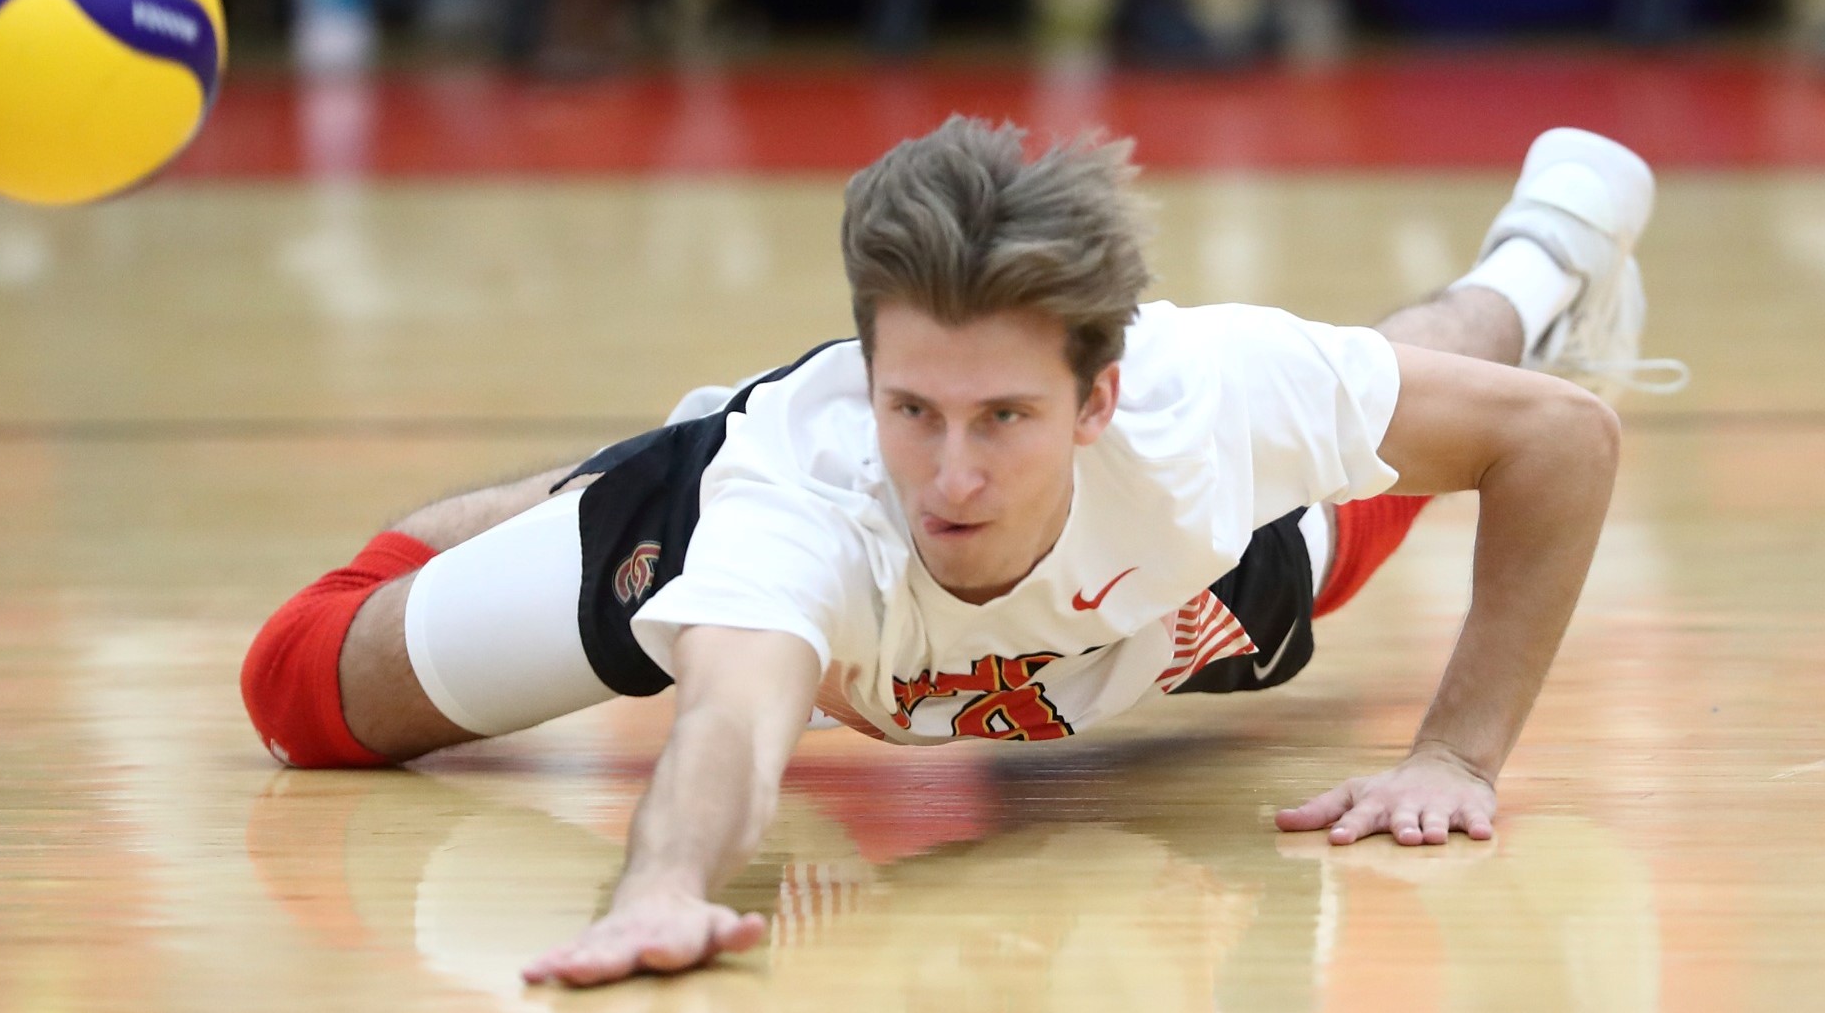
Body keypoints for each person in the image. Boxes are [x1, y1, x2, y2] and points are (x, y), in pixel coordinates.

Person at [240, 118, 1684, 987]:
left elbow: (1556, 443)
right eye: (912, 409)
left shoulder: (1206, 407)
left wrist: (1456, 760)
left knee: (1400, 413)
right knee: (304, 690)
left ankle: (1539, 260)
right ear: (863, 377)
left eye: (1006, 415)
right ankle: (613, 482)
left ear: (1101, 397)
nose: (952, 473)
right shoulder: (795, 499)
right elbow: (735, 726)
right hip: (746, 530)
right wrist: (664, 890)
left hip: (1159, 612)